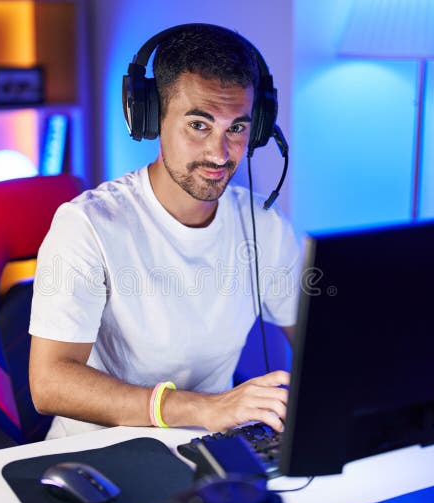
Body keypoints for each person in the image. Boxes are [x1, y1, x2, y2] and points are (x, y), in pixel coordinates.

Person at [28, 24, 301, 439]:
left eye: (238, 128)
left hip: (211, 452)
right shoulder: (87, 225)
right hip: (97, 459)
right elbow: (49, 384)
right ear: (152, 117)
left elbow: (321, 345)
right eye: (198, 125)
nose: (219, 152)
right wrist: (202, 408)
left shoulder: (265, 227)